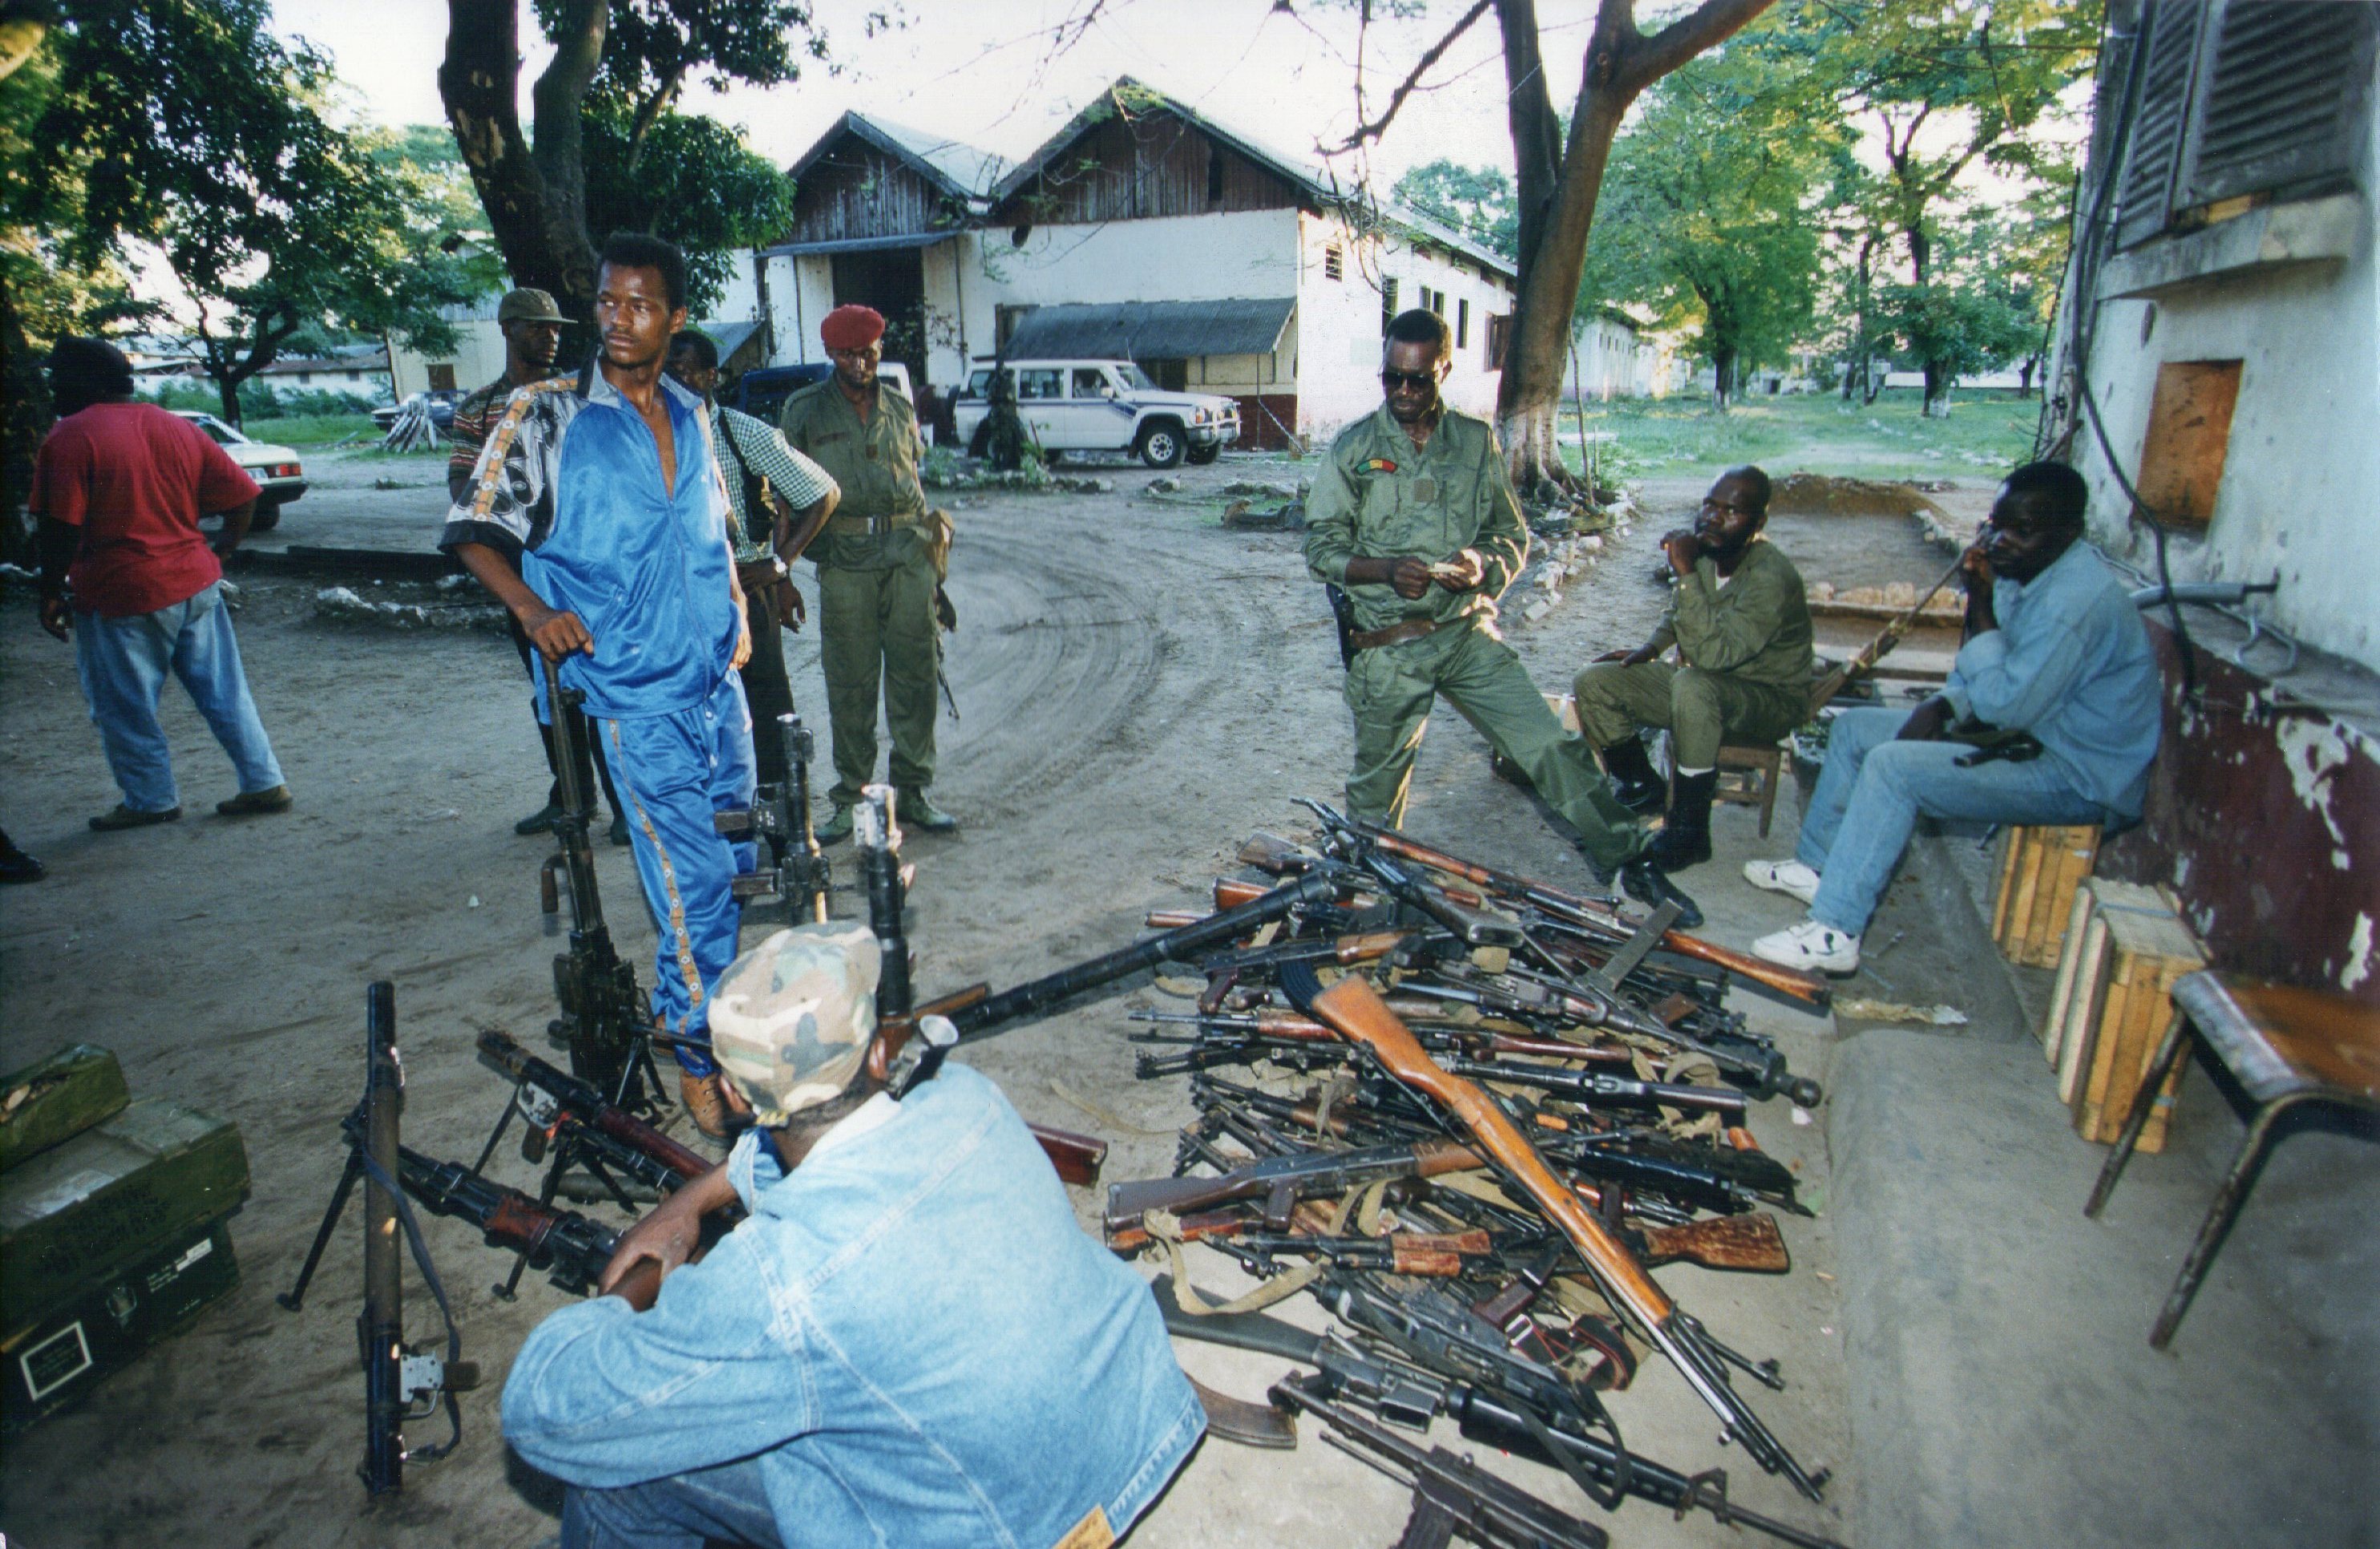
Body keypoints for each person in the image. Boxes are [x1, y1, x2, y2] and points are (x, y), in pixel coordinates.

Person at [503, 923, 1202, 1549]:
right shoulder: (965, 1097)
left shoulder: (782, 1279)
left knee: (624, 1468)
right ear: (874, 1055)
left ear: (735, 1097)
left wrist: (620, 1300)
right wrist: (694, 1200)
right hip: (1138, 1426)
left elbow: (546, 1412)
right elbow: (819, 1157)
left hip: (1015, 1526)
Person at [442, 234, 758, 1137]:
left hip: (716, 683)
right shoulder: (546, 414)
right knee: (692, 880)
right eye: (608, 302)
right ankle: (697, 1053)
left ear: (676, 318)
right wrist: (532, 609)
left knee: (738, 864)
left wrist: (735, 605)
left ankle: (711, 1008)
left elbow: (709, 525)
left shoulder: (693, 410)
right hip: (634, 693)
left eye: (640, 305)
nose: (619, 320)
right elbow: (472, 527)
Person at [1303, 308, 1700, 924]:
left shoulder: (1472, 441)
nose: (1402, 392)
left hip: (1464, 632)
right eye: (1391, 378)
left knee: (1549, 745)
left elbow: (1509, 536)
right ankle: (1363, 893)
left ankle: (1629, 857)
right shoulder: (1354, 449)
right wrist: (1382, 570)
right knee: (1376, 794)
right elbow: (1320, 548)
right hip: (1388, 645)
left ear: (1443, 371)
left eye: (1417, 380)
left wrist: (1480, 564)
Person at [1744, 461, 2160, 973]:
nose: (2003, 541)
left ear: (2069, 532)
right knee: (1853, 729)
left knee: (1894, 769)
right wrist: (1945, 705)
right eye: (1997, 525)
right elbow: (1994, 673)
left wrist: (1979, 600)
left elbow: (2007, 703)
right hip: (2027, 734)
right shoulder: (2030, 567)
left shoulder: (2072, 604)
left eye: (2022, 530)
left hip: (2077, 774)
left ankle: (1835, 932)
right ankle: (1819, 868)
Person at [30, 338, 292, 831]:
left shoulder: (69, 437)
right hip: (195, 581)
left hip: (119, 592)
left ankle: (151, 801)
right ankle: (264, 783)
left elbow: (59, 527)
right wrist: (221, 551)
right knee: (225, 693)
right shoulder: (176, 426)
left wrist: (49, 591)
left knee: (124, 707)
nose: (53, 390)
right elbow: (244, 497)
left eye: (58, 380)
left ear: (85, 383)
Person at [447, 286, 628, 845]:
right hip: (520, 571)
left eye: (554, 329)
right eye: (536, 327)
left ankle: (623, 800)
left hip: (580, 566)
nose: (549, 337)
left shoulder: (574, 396)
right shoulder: (479, 409)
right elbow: (464, 493)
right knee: (548, 688)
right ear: (507, 330)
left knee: (600, 680)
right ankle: (570, 795)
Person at [777, 305, 958, 843]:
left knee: (916, 677)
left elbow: (914, 482)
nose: (859, 364)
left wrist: (934, 574)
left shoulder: (900, 406)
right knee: (850, 683)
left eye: (868, 353)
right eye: (847, 355)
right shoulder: (805, 411)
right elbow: (783, 495)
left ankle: (914, 791)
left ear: (880, 349)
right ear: (831, 354)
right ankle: (852, 797)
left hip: (907, 557)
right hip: (846, 562)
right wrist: (782, 571)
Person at [1572, 465, 1812, 871]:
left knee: (1693, 685)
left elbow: (1712, 656)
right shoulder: (1710, 554)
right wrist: (1651, 648)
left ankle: (1689, 833)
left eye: (1731, 511)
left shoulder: (1771, 577)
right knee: (1595, 682)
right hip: (1709, 686)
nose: (1713, 518)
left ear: (1758, 523)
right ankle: (1642, 787)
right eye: (1709, 505)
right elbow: (1681, 612)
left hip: (1767, 700)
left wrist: (1683, 574)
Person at [662, 331, 839, 791]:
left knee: (767, 713)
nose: (675, 381)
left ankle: (784, 812)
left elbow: (823, 493)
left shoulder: (740, 433)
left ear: (711, 377)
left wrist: (779, 566)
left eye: (685, 371)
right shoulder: (653, 436)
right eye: (668, 371)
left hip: (745, 597)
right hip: (680, 600)